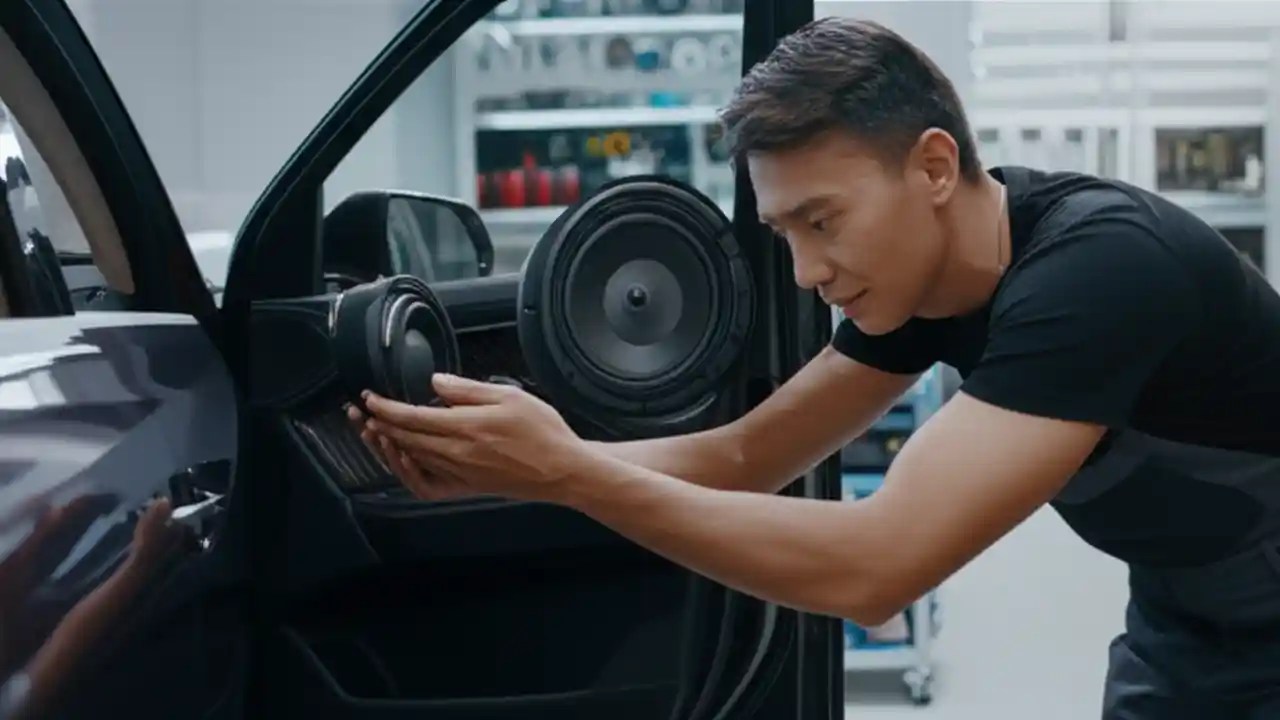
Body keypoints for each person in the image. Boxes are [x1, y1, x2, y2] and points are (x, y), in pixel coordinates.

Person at [350, 17, 1280, 719]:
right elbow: (745, 458)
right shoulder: (926, 283)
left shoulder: (1101, 271)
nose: (807, 272)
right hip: (1188, 627)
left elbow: (876, 569)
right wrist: (521, 472)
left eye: (823, 220)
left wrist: (569, 472)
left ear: (934, 166)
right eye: (784, 231)